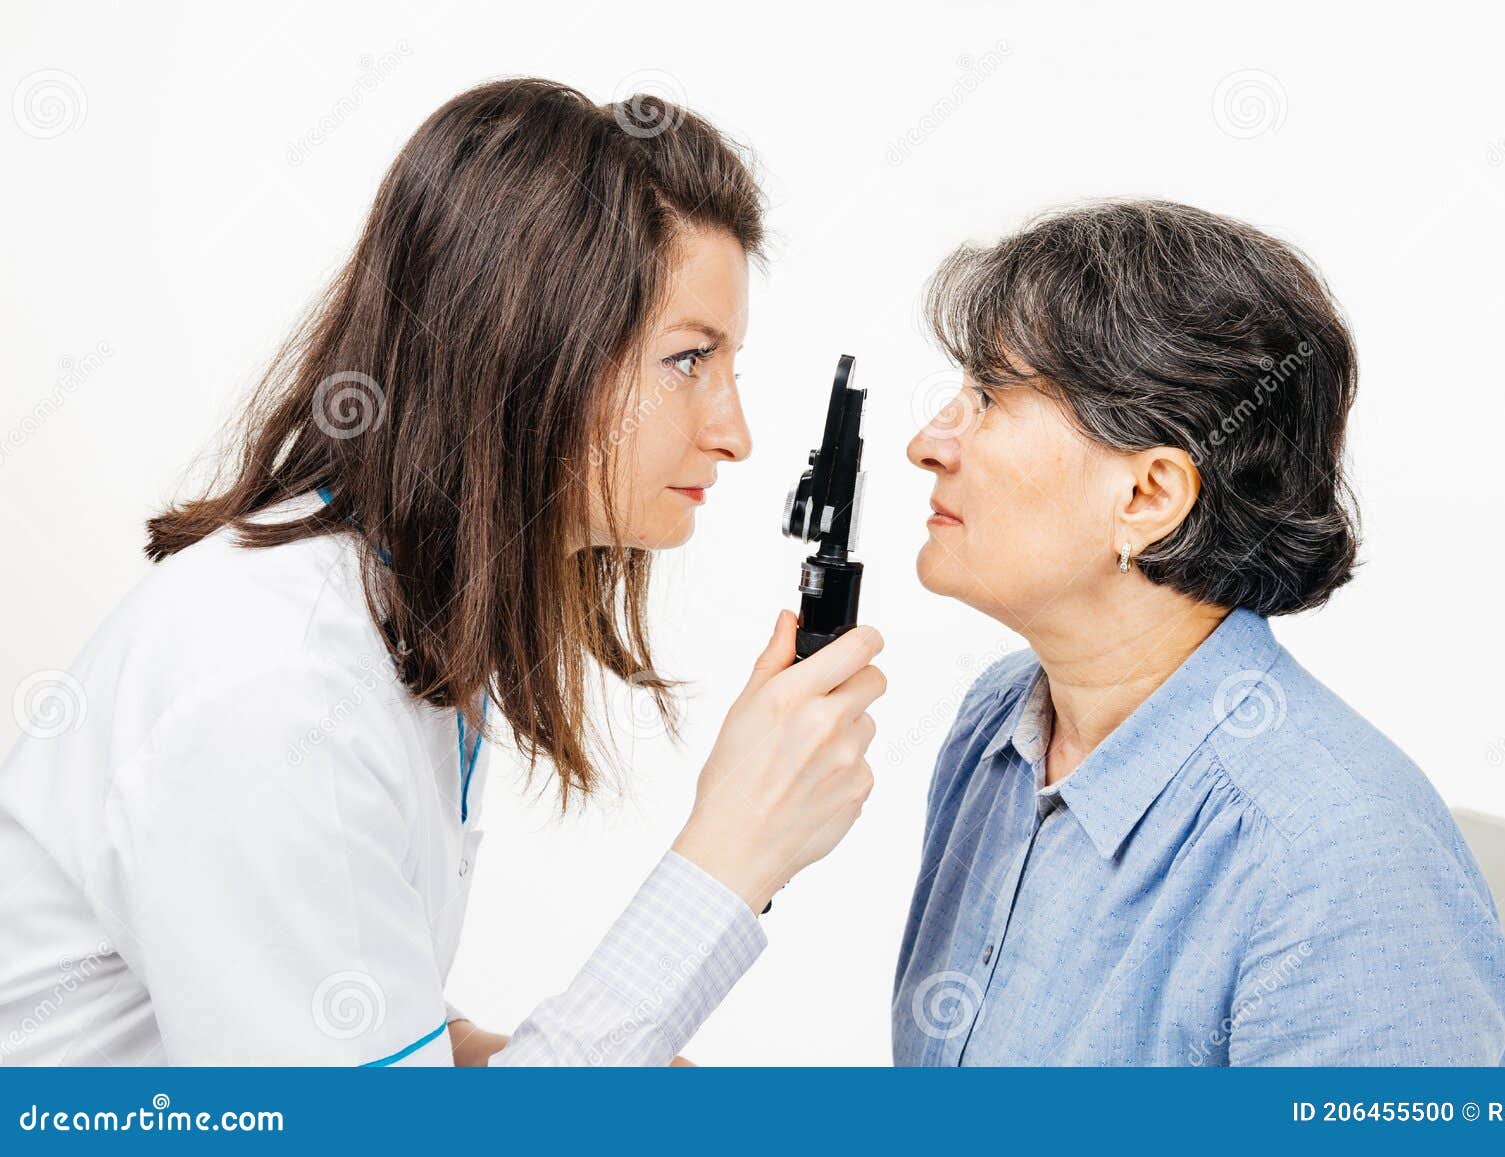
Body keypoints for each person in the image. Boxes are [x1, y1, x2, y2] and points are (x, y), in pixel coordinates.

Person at [0, 78, 885, 1066]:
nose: (734, 433)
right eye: (688, 360)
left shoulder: (398, 621)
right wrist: (729, 853)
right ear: (522, 353)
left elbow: (363, 1036)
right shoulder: (278, 692)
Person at [891, 200, 1505, 1065]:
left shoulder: (1343, 866)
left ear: (1147, 497)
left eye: (988, 398)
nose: (927, 443)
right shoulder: (997, 726)